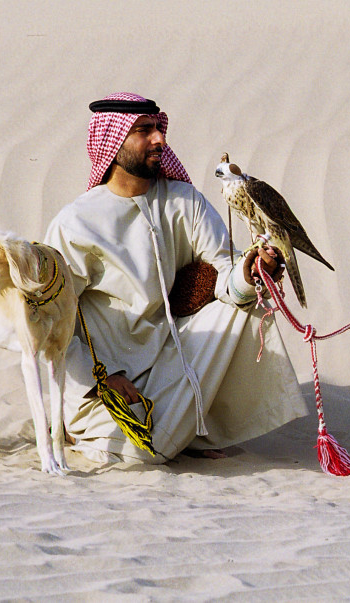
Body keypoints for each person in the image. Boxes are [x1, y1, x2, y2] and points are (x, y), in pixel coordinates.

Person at [44, 92, 308, 464]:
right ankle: (104, 429)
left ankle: (201, 423)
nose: (160, 140)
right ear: (112, 141)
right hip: (111, 383)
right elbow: (49, 322)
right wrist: (99, 377)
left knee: (249, 303)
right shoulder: (77, 223)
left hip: (173, 360)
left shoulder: (184, 201)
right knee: (144, 454)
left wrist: (250, 272)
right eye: (144, 131)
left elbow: (223, 268)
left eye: (159, 128)